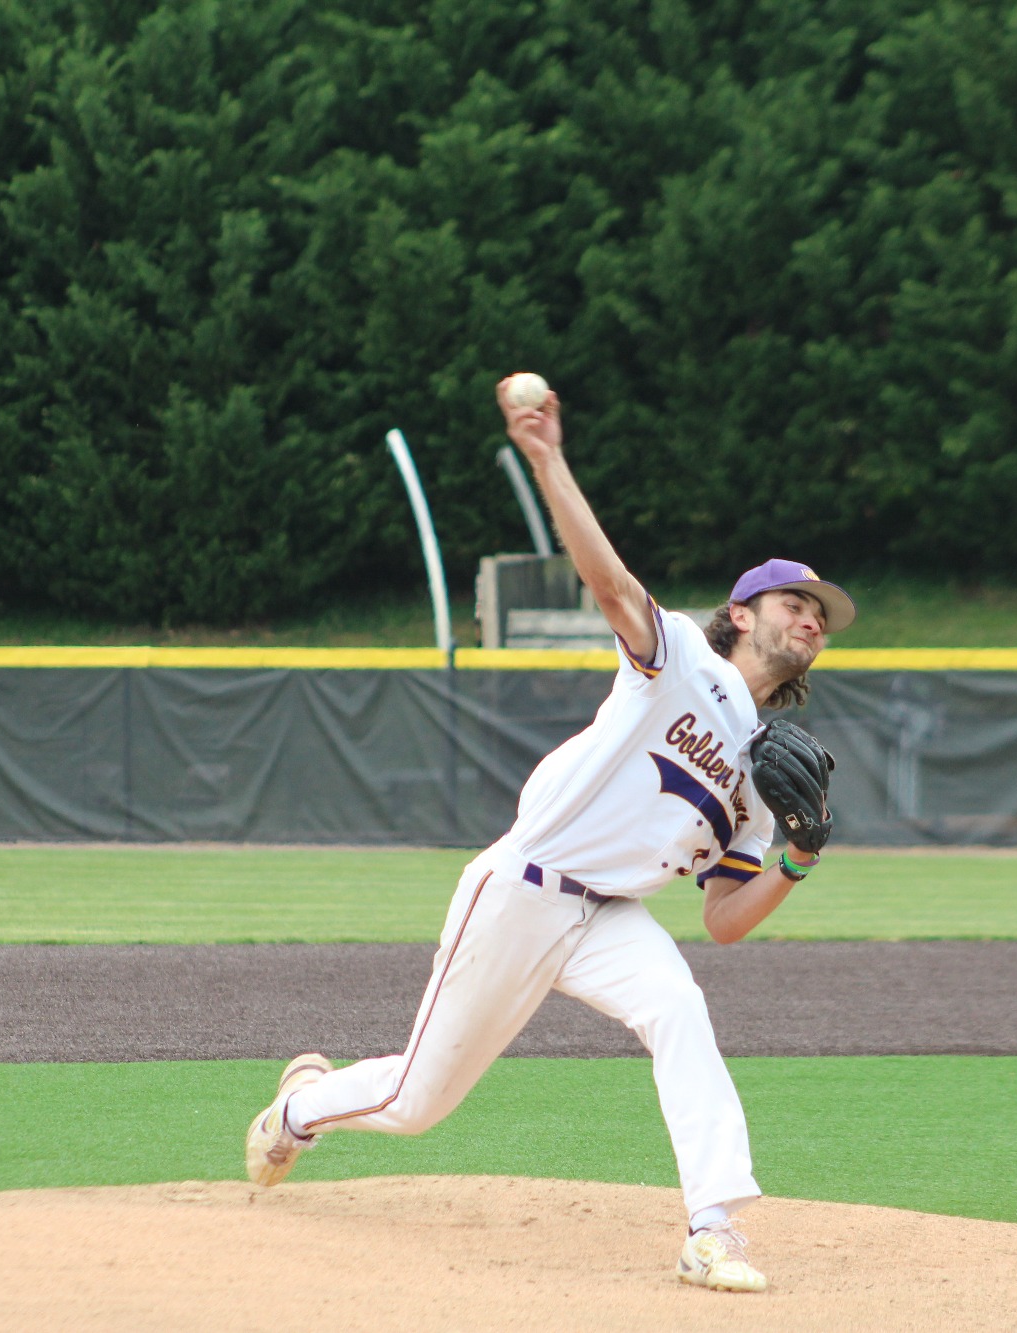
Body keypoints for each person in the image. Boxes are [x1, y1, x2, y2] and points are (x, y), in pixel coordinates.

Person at [244, 375, 853, 1293]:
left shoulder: (766, 773)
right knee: (417, 1102)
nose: (812, 616)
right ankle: (299, 1109)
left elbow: (724, 918)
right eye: (794, 602)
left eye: (821, 615)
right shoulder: (680, 659)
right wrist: (546, 458)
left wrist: (796, 861)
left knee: (680, 1006)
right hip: (526, 885)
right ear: (742, 612)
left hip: (606, 917)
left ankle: (711, 1228)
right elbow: (607, 581)